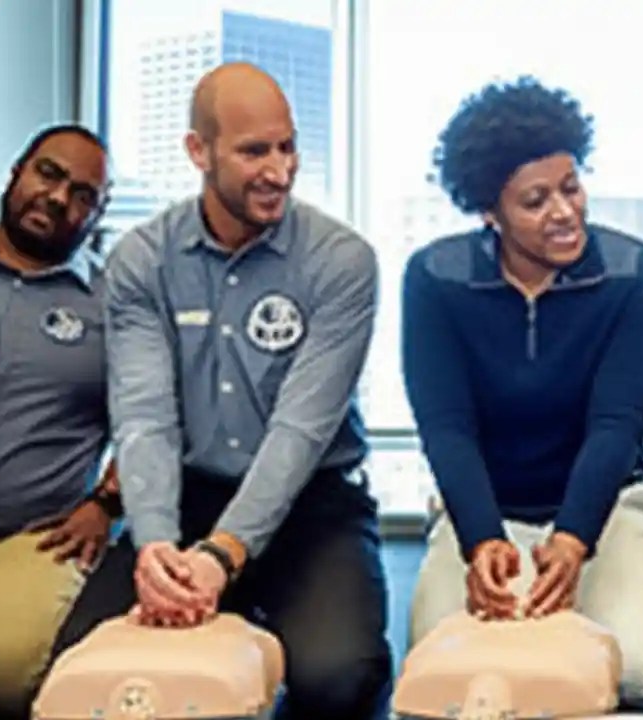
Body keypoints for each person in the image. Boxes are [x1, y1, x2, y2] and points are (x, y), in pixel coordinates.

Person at [49, 62, 391, 720]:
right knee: (83, 670)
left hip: (312, 501)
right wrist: (157, 549)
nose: (279, 171)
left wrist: (221, 554)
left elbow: (300, 431)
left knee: (340, 677)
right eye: (254, 151)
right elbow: (145, 418)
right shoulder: (143, 261)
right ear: (198, 151)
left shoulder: (341, 261)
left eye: (287, 147)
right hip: (187, 496)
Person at [402, 76, 643, 702]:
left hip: (606, 507)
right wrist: (481, 538)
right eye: (535, 200)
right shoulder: (435, 279)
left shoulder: (637, 275)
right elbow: (446, 426)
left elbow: (617, 424)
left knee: (634, 670)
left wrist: (574, 538)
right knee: (438, 671)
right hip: (485, 507)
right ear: (489, 212)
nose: (564, 212)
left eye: (571, 188)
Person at [0, 125, 119, 720]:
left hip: (31, 535)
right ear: (17, 171)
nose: (60, 198)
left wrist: (106, 504)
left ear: (97, 216)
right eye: (49, 174)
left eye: (84, 195)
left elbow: (158, 421)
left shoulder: (112, 305)